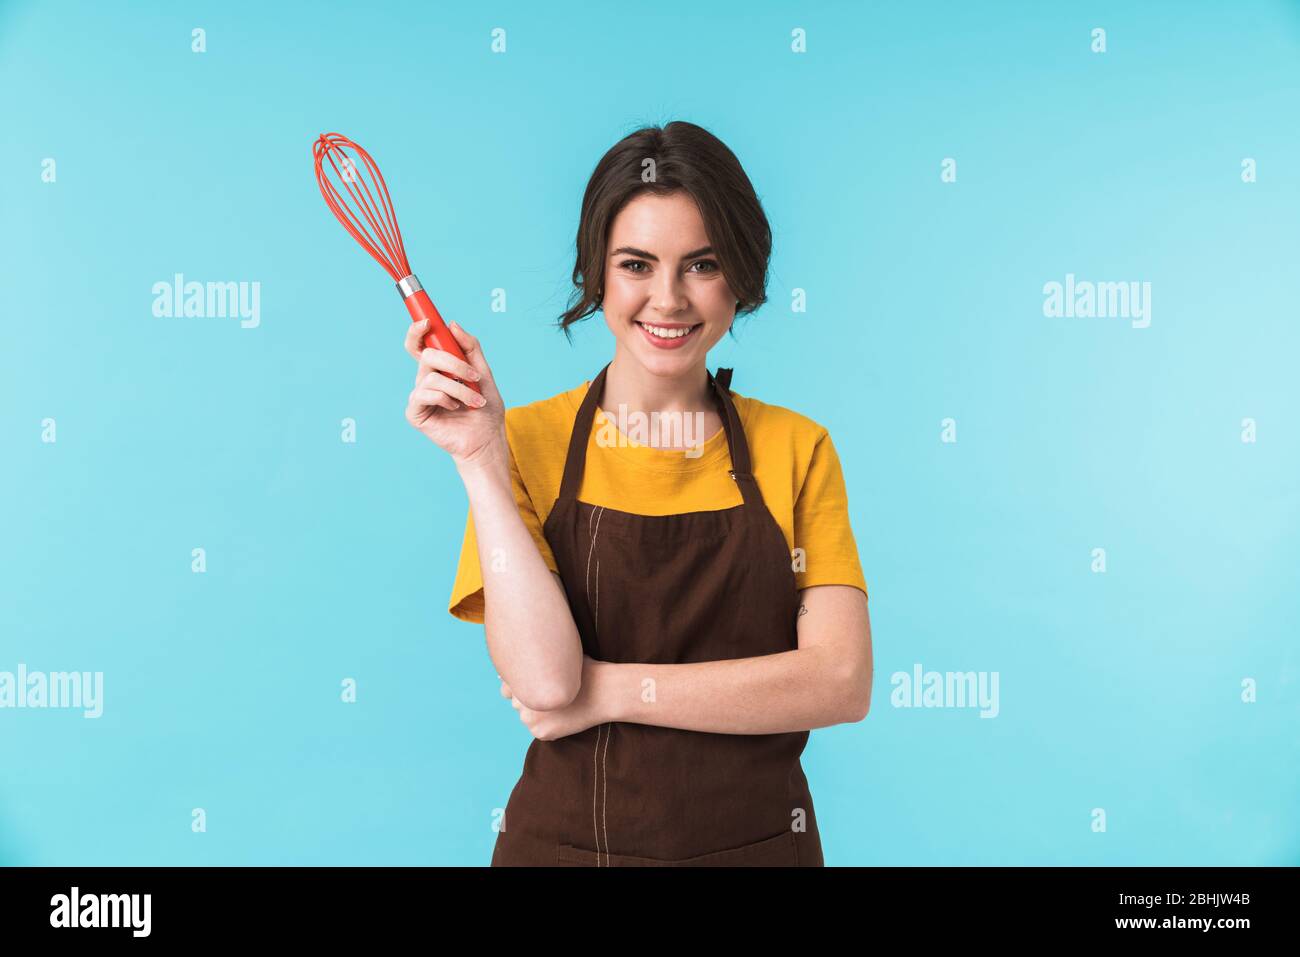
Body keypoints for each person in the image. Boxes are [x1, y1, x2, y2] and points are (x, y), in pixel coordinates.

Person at [405, 121, 872, 866]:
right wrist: (479, 458)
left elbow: (840, 681)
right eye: (636, 264)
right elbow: (547, 681)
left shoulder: (797, 448)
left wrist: (613, 693)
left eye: (702, 264)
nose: (668, 299)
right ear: (597, 275)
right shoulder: (524, 443)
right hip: (562, 850)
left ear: (740, 278)